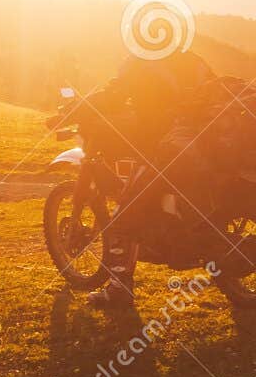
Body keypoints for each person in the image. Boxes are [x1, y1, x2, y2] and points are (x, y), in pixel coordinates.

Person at [86, 49, 216, 310]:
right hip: (201, 145)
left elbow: (114, 95)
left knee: (121, 219)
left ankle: (119, 290)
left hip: (161, 148)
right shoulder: (195, 60)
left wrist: (85, 106)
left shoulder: (138, 63)